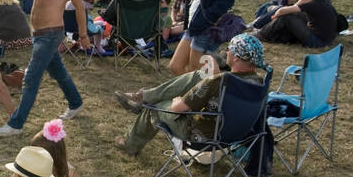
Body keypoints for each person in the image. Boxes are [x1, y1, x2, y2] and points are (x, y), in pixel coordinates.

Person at [0, 0, 87, 136]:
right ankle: (76, 103)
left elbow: (79, 6)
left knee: (31, 78)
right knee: (58, 72)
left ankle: (16, 124)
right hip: (39, 33)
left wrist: (83, 35)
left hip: (51, 33)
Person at [114, 32, 266, 155]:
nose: (227, 51)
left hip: (203, 137)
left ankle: (130, 143)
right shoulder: (260, 83)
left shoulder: (219, 81)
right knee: (198, 75)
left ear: (236, 57)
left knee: (154, 108)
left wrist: (176, 99)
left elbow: (177, 108)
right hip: (236, 136)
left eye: (230, 49)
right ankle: (143, 97)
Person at [256, 0, 338, 47]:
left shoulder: (313, 4)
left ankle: (260, 35)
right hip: (328, 39)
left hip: (317, 41)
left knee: (285, 17)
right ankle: (263, 30)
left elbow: (283, 11)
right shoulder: (325, 0)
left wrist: (275, 16)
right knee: (292, 13)